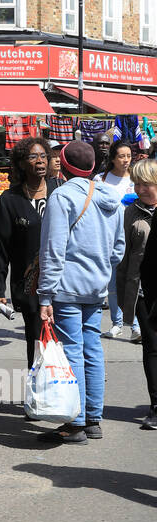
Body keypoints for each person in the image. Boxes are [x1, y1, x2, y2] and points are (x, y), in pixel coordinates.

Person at [38, 142, 125, 443]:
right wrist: (101, 268)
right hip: (96, 286)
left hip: (68, 287)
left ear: (62, 166)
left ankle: (75, 422)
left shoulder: (62, 196)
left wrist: (45, 295)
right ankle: (92, 418)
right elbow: (119, 249)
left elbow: (53, 249)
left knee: (73, 349)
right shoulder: (111, 197)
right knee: (92, 349)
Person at [0, 138, 59, 368]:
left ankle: (64, 392)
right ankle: (39, 392)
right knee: (38, 341)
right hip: (30, 285)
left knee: (64, 342)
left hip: (63, 281)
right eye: (32, 156)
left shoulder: (60, 192)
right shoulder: (10, 200)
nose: (40, 161)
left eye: (43, 156)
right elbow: (1, 247)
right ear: (20, 164)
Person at [116, 159, 157, 429]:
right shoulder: (131, 212)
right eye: (137, 184)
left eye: (146, 184)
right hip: (144, 290)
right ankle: (156, 405)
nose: (140, 189)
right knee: (152, 347)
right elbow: (124, 255)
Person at [98, 140, 138, 339]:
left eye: (129, 156)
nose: (125, 160)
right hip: (109, 237)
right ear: (113, 158)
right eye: (121, 156)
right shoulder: (100, 179)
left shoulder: (136, 178)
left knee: (134, 281)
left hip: (134, 235)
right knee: (112, 283)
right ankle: (117, 323)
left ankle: (136, 326)